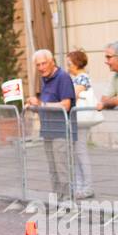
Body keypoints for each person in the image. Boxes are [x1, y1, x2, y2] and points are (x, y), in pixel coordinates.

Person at [26, 49, 76, 199]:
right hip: (47, 130)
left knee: (62, 168)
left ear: (52, 61)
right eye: (38, 65)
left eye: (44, 63)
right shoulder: (44, 78)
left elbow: (65, 105)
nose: (41, 67)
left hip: (61, 130)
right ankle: (57, 198)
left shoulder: (63, 77)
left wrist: (41, 103)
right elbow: (46, 106)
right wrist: (33, 106)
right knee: (52, 168)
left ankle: (67, 200)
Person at [65, 50, 95, 198]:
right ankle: (79, 186)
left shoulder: (82, 78)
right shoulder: (76, 77)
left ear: (77, 63)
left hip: (81, 119)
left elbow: (73, 94)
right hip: (76, 119)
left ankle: (87, 187)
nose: (68, 67)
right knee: (77, 154)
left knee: (81, 152)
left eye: (70, 63)